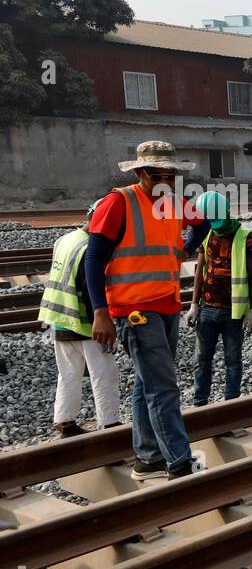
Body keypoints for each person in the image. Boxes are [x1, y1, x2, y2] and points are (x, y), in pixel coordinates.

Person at [85, 140, 204, 480]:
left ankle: (148, 458)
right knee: (163, 386)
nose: (165, 180)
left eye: (171, 174)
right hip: (133, 310)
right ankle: (180, 463)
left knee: (147, 382)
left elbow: (202, 224)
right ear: (139, 172)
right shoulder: (118, 203)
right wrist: (100, 312)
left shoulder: (174, 203)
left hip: (167, 304)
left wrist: (186, 249)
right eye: (157, 174)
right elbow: (93, 260)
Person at [37, 201, 122, 438]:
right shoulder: (89, 248)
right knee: (104, 373)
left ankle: (65, 422)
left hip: (58, 320)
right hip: (84, 323)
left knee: (68, 374)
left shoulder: (64, 240)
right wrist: (104, 319)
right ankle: (110, 425)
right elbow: (88, 288)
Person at [187, 191, 252, 406]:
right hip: (207, 309)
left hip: (233, 313)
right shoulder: (207, 234)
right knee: (201, 361)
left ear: (228, 213)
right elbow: (200, 270)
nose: (215, 226)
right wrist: (193, 304)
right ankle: (200, 403)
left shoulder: (247, 237)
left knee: (233, 361)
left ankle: (232, 405)